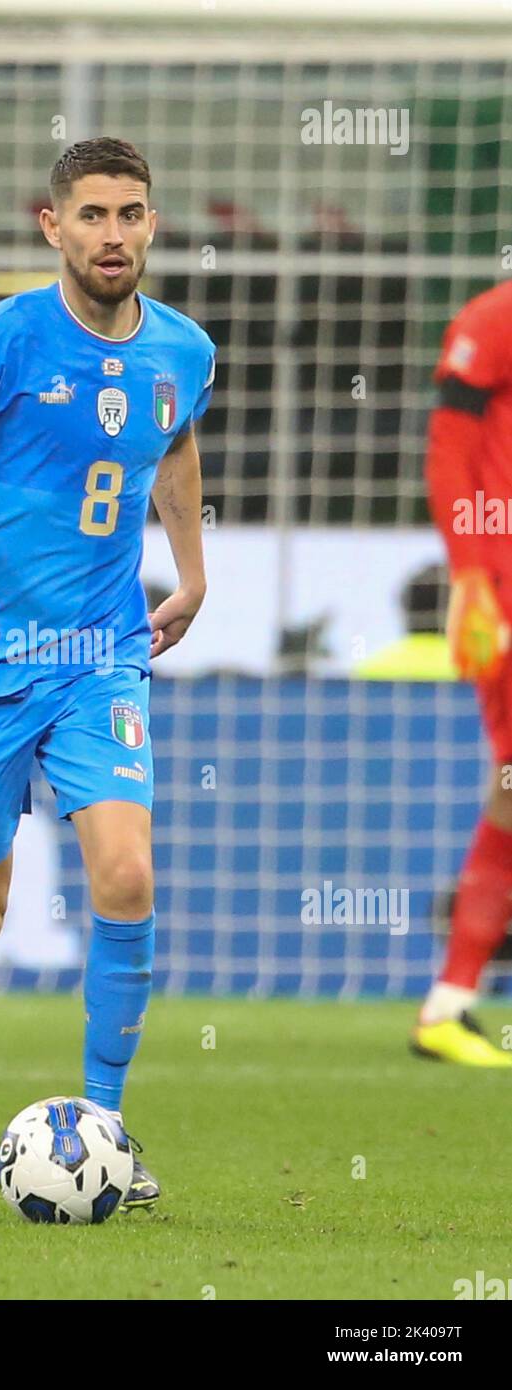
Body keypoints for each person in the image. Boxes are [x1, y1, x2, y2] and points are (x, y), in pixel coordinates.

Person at [0, 137, 216, 1212]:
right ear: (51, 226)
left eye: (131, 215)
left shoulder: (182, 350)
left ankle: (104, 1127)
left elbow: (173, 445)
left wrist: (191, 574)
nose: (112, 235)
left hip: (98, 657)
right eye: (93, 216)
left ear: (152, 225)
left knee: (125, 876)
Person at [414, 279, 512, 1066]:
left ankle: (448, 1001)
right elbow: (448, 449)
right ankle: (448, 1001)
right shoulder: (494, 316)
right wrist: (470, 574)